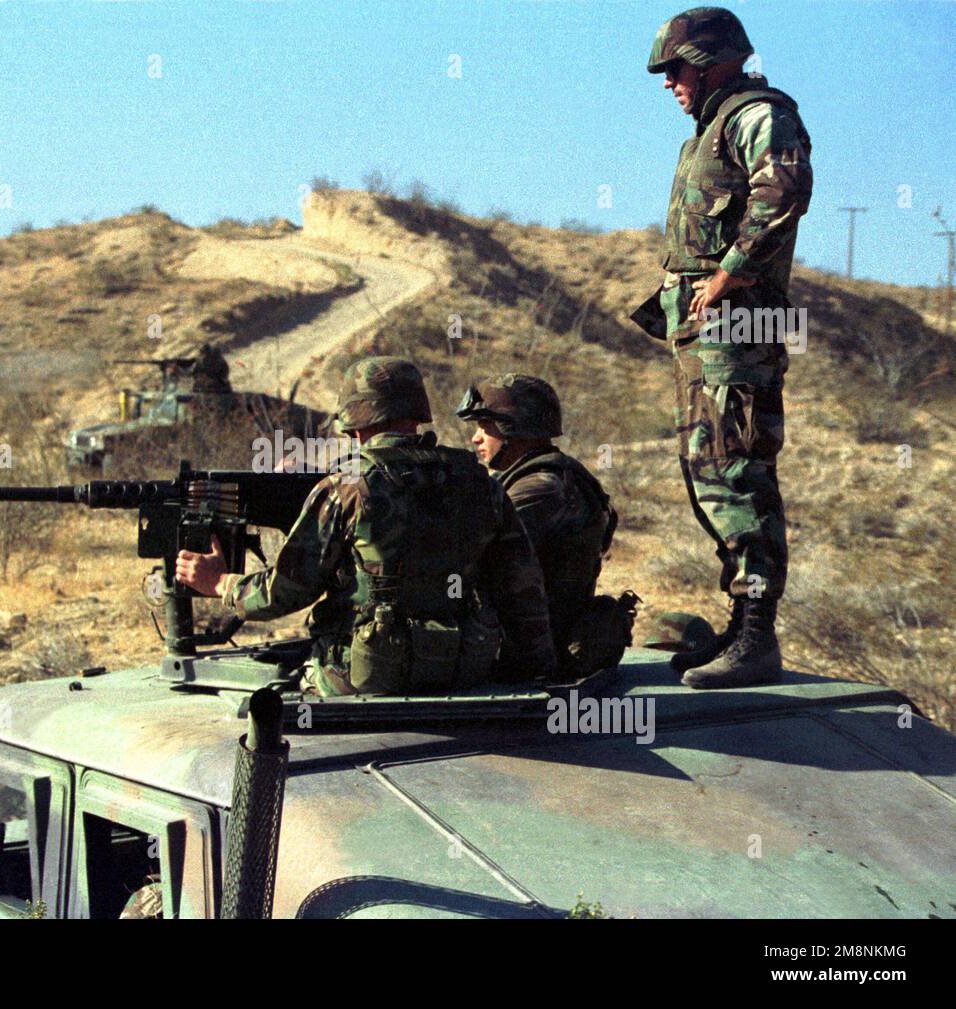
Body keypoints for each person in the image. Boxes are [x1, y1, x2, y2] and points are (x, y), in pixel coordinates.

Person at [175, 356, 558, 695]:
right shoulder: (480, 483)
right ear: (417, 412)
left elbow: (286, 592)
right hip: (462, 672)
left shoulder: (348, 487)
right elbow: (523, 590)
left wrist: (221, 583)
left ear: (353, 423)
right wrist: (531, 675)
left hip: (362, 677)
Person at [630, 6, 812, 689]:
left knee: (735, 471)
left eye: (674, 68)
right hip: (710, 336)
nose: (668, 83)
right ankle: (743, 627)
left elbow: (786, 190)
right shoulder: (712, 128)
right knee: (710, 472)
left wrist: (729, 272)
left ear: (711, 61)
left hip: (738, 329)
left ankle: (758, 636)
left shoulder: (756, 114)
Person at [456, 375, 617, 664]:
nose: (476, 438)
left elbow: (468, 554)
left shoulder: (542, 488)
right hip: (536, 637)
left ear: (515, 427)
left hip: (528, 649)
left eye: (486, 426)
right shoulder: (550, 476)